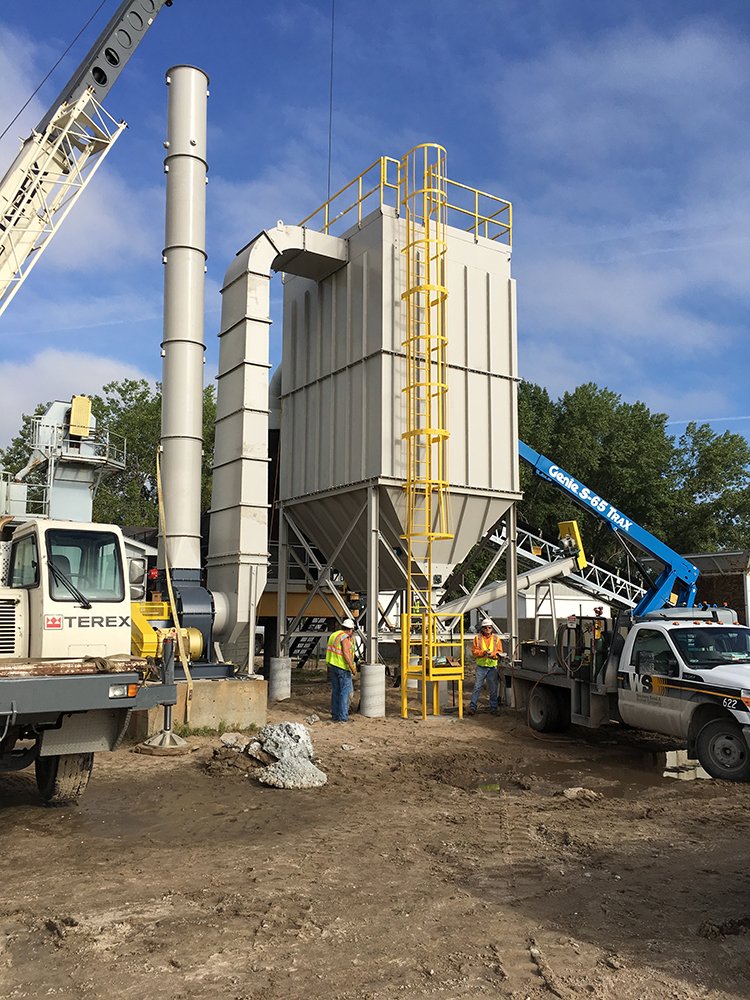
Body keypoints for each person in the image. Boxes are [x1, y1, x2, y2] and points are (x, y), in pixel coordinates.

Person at [468, 618, 504, 716]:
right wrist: (483, 653)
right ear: (482, 629)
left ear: (492, 628)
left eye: (489, 628)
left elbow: (500, 652)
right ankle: (472, 707)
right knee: (477, 687)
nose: (487, 629)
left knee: (493, 689)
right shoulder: (477, 638)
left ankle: (493, 708)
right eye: (485, 628)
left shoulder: (496, 639)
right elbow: (474, 652)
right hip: (481, 666)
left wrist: (493, 654)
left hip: (492, 667)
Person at [326, 618, 357, 722]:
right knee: (345, 692)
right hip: (342, 667)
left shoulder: (334, 635)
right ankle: (343, 717)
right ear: (350, 629)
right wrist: (352, 667)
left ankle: (335, 715)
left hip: (332, 666)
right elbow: (346, 653)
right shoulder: (344, 637)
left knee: (336, 691)